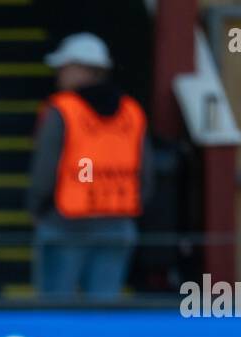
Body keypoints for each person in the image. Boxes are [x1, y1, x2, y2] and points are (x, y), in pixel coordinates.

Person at [27, 33, 153, 299]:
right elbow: (146, 173)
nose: (59, 74)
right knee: (104, 312)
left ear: (82, 69)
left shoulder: (62, 110)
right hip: (116, 224)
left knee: (54, 308)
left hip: (63, 225)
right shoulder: (131, 111)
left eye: (64, 67)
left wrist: (37, 207)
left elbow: (45, 169)